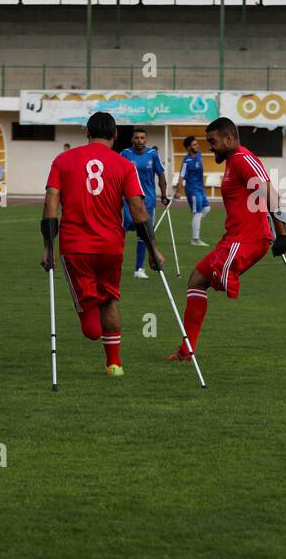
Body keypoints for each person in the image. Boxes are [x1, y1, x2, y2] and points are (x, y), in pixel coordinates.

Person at [41, 112, 163, 378]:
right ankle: (114, 364)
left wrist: (48, 247)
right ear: (116, 135)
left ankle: (96, 330)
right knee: (109, 300)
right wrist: (153, 249)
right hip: (111, 247)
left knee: (91, 329)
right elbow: (138, 209)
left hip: (75, 248)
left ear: (86, 132)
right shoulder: (124, 165)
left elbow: (51, 202)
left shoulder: (63, 160)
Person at [168, 118, 286, 363]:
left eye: (212, 142)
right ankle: (186, 351)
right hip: (231, 239)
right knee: (195, 280)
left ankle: (225, 278)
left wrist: (282, 234)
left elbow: (270, 194)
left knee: (215, 278)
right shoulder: (232, 161)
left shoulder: (243, 159)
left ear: (229, 139)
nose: (209, 147)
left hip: (247, 240)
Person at [119, 127, 169, 279]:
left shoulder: (152, 154)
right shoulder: (125, 154)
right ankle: (113, 264)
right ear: (132, 140)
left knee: (145, 235)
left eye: (142, 138)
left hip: (148, 202)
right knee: (120, 232)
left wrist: (164, 195)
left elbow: (161, 176)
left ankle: (139, 269)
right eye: (136, 138)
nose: (139, 141)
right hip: (128, 201)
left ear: (146, 140)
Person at [173, 134, 211, 246]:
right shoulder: (186, 161)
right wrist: (179, 192)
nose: (197, 146)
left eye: (197, 143)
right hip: (193, 190)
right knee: (198, 213)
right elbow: (181, 177)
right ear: (189, 148)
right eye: (194, 145)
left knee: (207, 208)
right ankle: (195, 240)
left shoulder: (199, 154)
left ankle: (196, 222)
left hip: (200, 189)